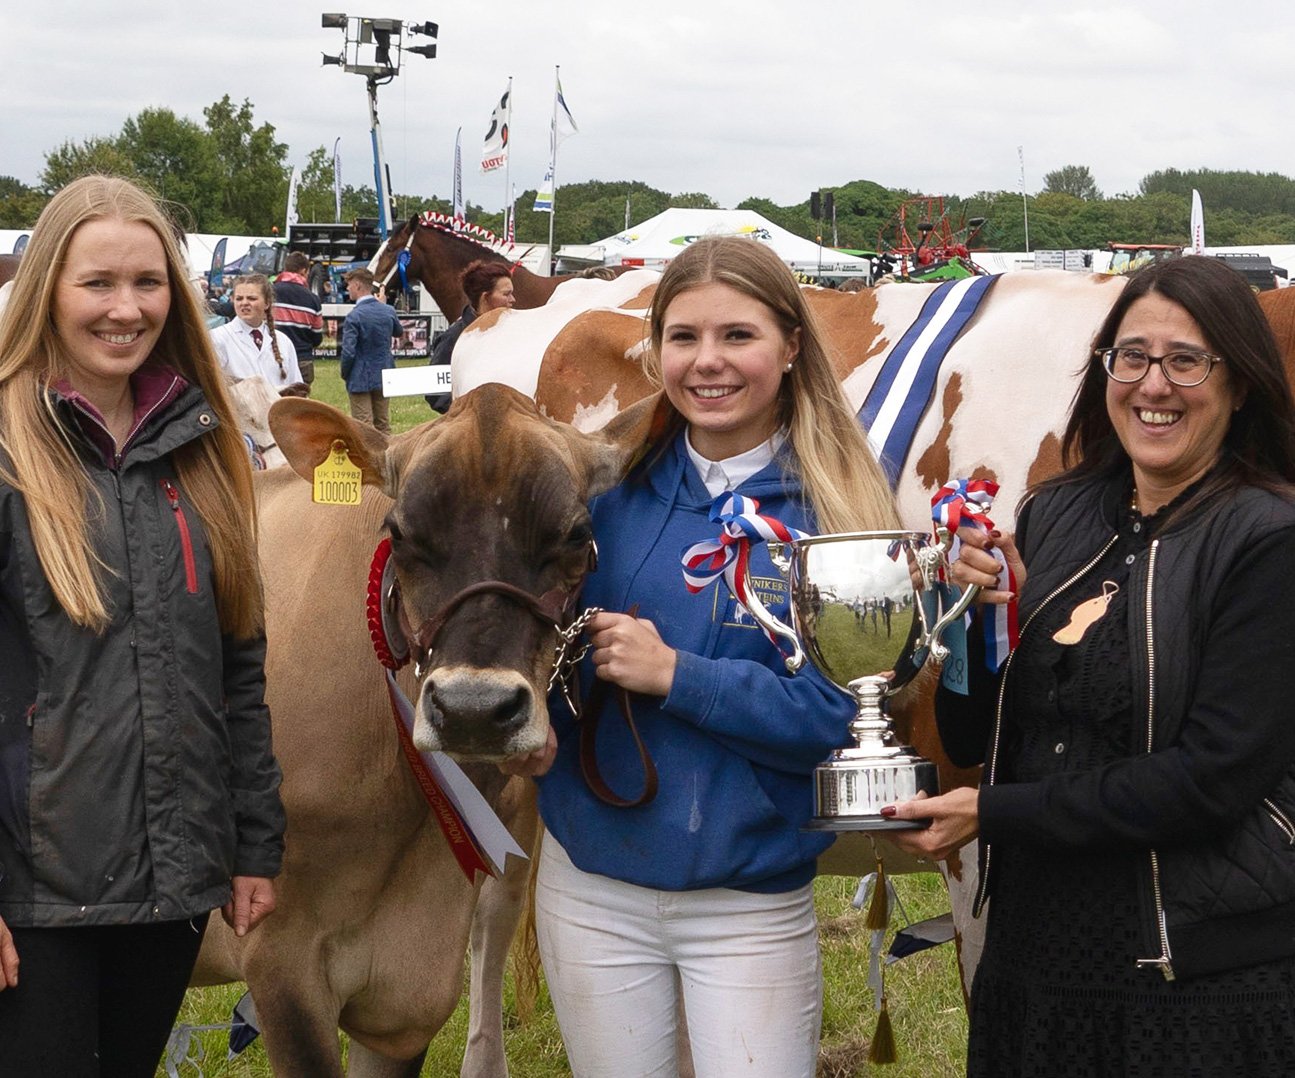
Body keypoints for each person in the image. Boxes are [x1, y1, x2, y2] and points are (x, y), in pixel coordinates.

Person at [886, 256, 1295, 1076]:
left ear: (1239, 383)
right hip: (1035, 956)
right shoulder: (1054, 512)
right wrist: (975, 621)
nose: (1154, 383)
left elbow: (1210, 780)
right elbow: (970, 735)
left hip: (1198, 976)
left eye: (1186, 359)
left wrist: (996, 814)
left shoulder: (1267, 542)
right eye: (1131, 356)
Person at [507, 237, 900, 1077]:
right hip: (591, 890)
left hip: (746, 901)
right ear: (656, 352)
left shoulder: (841, 511)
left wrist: (678, 677)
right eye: (683, 337)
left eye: (737, 336)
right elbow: (535, 647)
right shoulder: (598, 499)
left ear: (791, 346)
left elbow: (841, 718)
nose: (707, 362)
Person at [0, 175, 285, 1075]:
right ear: (47, 285)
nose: (126, 309)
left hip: (172, 879)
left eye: (149, 283)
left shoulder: (201, 447)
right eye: (98, 283)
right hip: (32, 892)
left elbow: (237, 663)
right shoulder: (7, 448)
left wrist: (253, 843)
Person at [424, 259, 515, 414]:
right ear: (485, 298)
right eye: (506, 294)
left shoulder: (513, 331)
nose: (513, 300)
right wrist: (470, 412)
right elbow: (435, 392)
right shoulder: (454, 337)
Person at [210, 273, 306, 394]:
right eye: (239, 298)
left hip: (279, 412)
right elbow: (211, 388)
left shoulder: (283, 342)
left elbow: (296, 388)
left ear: (267, 303)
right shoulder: (217, 338)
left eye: (252, 298)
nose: (244, 303)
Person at [340, 267, 404, 433]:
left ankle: (370, 459)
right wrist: (382, 305)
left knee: (364, 426)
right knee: (383, 423)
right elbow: (398, 331)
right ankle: (388, 457)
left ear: (358, 286)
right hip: (384, 373)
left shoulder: (354, 317)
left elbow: (348, 352)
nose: (347, 289)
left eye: (349, 285)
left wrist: (345, 373)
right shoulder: (388, 310)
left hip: (359, 376)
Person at [271, 251, 324, 388]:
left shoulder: (269, 292)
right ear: (304, 270)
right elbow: (317, 337)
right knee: (300, 406)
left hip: (272, 356)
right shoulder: (313, 299)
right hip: (302, 358)